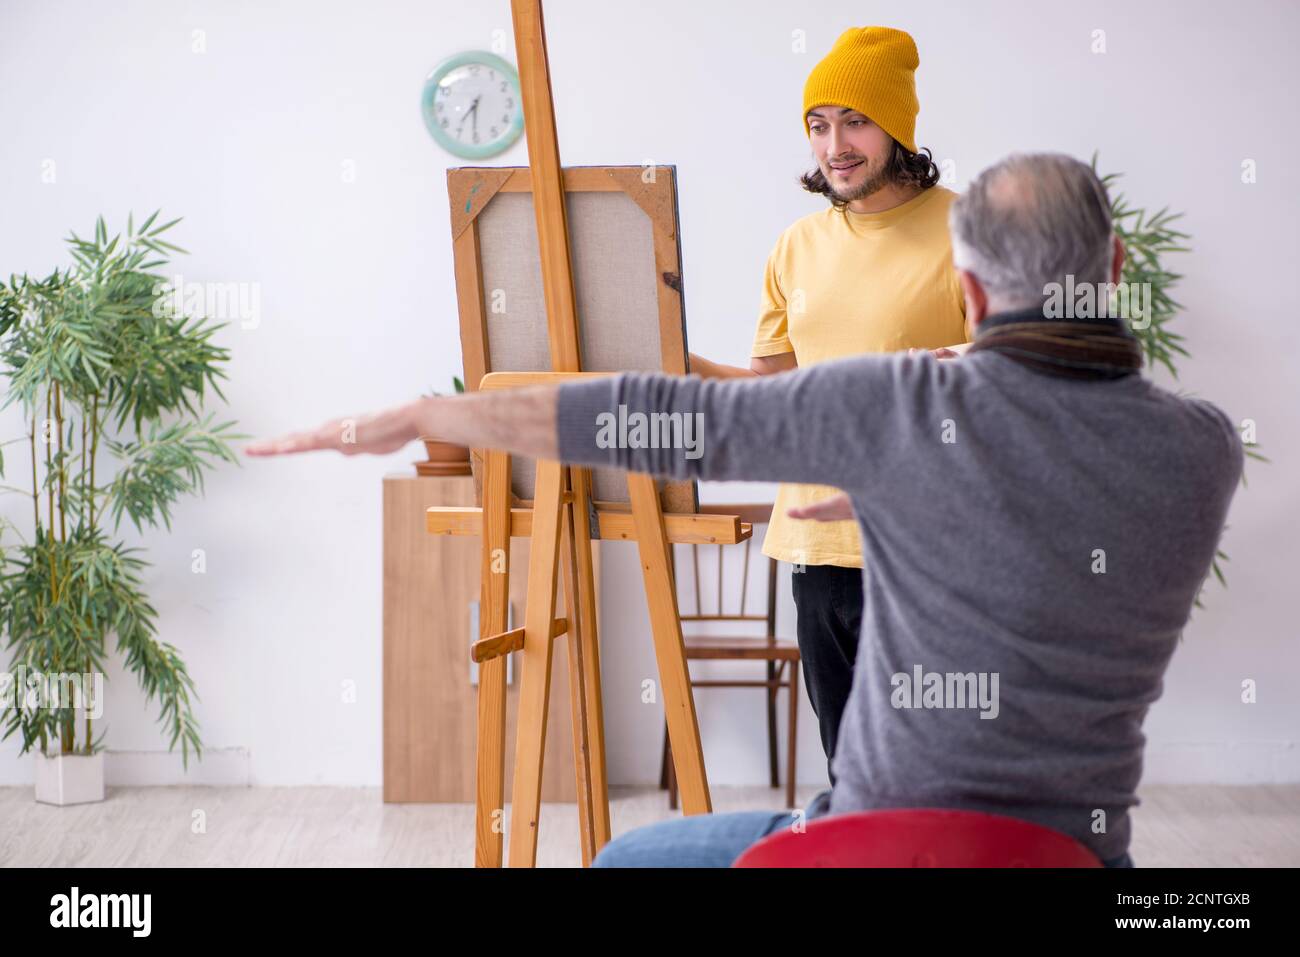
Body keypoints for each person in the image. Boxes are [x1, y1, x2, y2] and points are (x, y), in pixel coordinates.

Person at [246, 153, 1243, 868]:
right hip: (1081, 855)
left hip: (879, 839)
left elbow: (666, 417)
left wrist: (434, 411)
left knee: (627, 862)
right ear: (1113, 271)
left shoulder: (902, 408)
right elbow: (1043, 485)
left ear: (967, 289)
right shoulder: (1203, 449)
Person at [688, 26, 969, 777]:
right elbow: (775, 396)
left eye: (855, 121)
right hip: (816, 548)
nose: (834, 143)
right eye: (818, 123)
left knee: (934, 767)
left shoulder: (970, 231)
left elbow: (1027, 373)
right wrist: (681, 366)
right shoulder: (795, 247)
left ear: (898, 127)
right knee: (849, 767)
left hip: (928, 547)